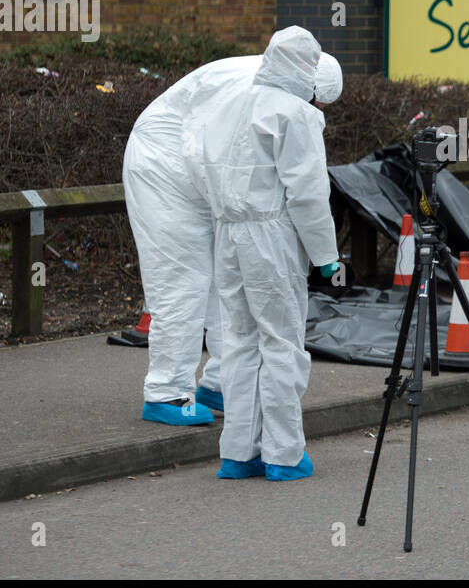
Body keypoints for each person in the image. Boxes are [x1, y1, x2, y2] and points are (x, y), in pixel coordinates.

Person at [123, 47, 343, 427]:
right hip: (163, 164)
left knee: (227, 281)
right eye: (318, 104)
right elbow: (228, 161)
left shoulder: (274, 84)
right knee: (184, 279)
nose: (318, 113)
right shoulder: (254, 92)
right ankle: (167, 392)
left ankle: (223, 384)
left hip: (199, 169)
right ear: (305, 87)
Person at [182, 26, 341, 480]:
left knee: (238, 341)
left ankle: (237, 451)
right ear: (306, 68)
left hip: (227, 232)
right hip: (270, 235)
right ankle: (284, 454)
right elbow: (307, 193)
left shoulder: (230, 104)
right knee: (281, 341)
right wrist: (326, 254)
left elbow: (200, 164)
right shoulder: (296, 114)